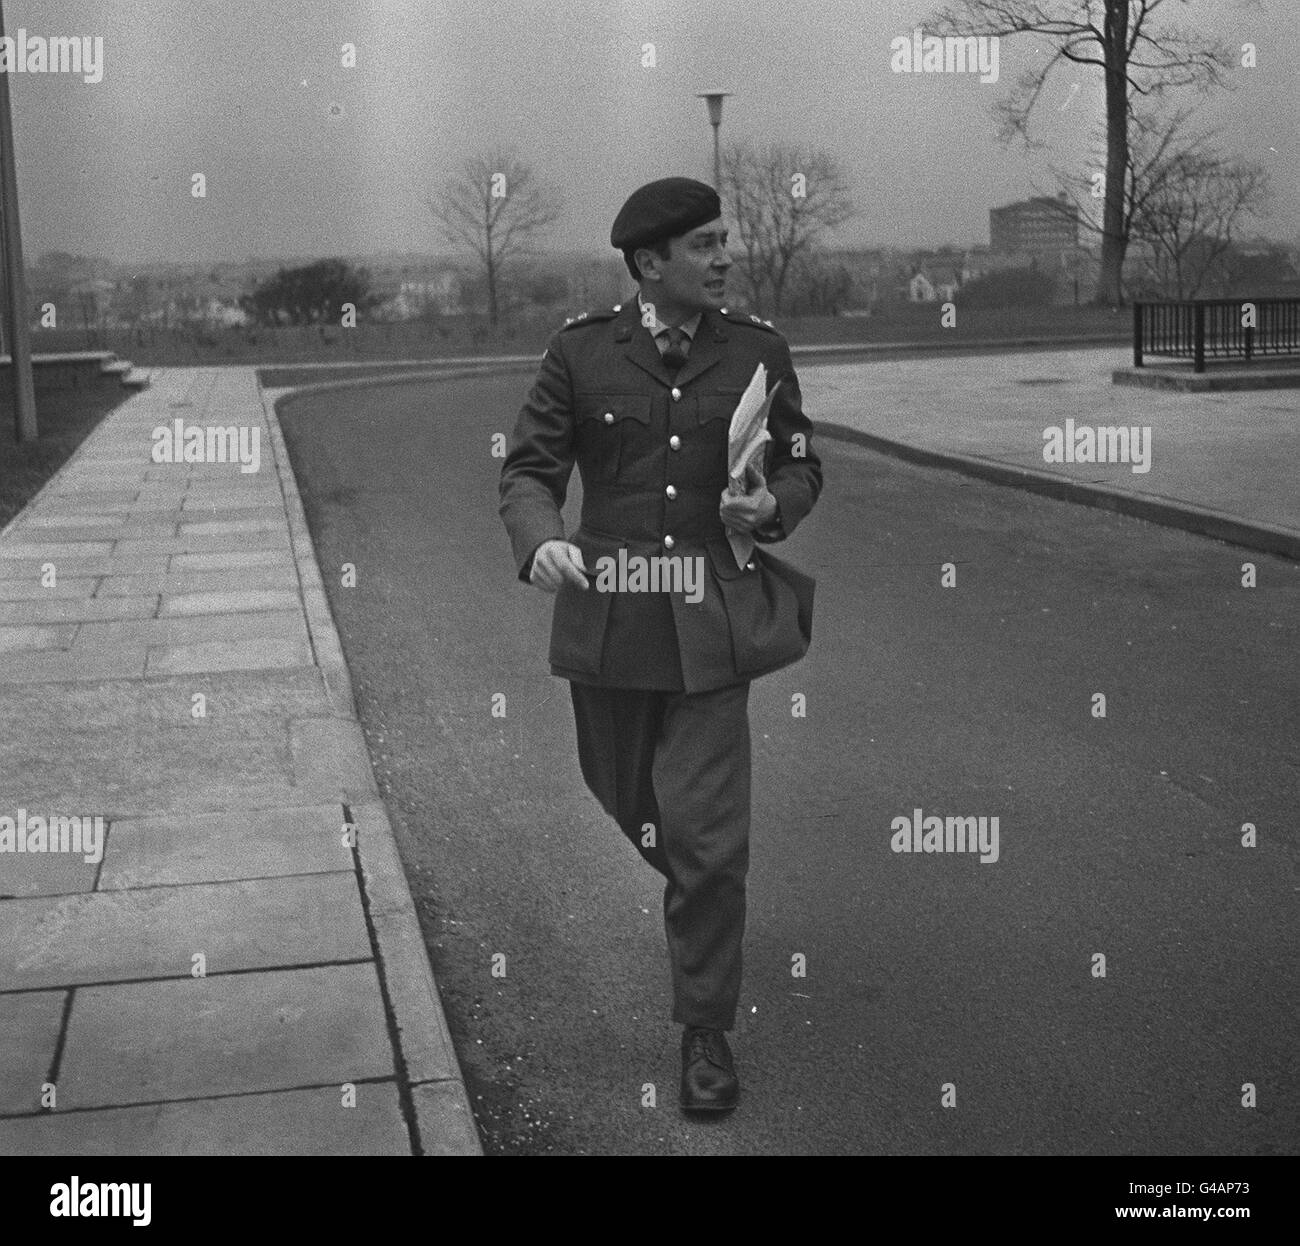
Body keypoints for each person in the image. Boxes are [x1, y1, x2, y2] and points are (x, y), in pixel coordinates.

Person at [498, 176, 822, 1112]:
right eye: (705, 246)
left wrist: (774, 506)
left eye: (725, 242)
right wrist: (540, 537)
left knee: (710, 843)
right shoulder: (582, 353)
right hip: (614, 620)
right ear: (650, 264)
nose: (725, 257)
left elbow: (801, 460)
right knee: (631, 800)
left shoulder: (757, 351)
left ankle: (706, 1032)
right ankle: (697, 892)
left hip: (714, 620)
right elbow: (529, 468)